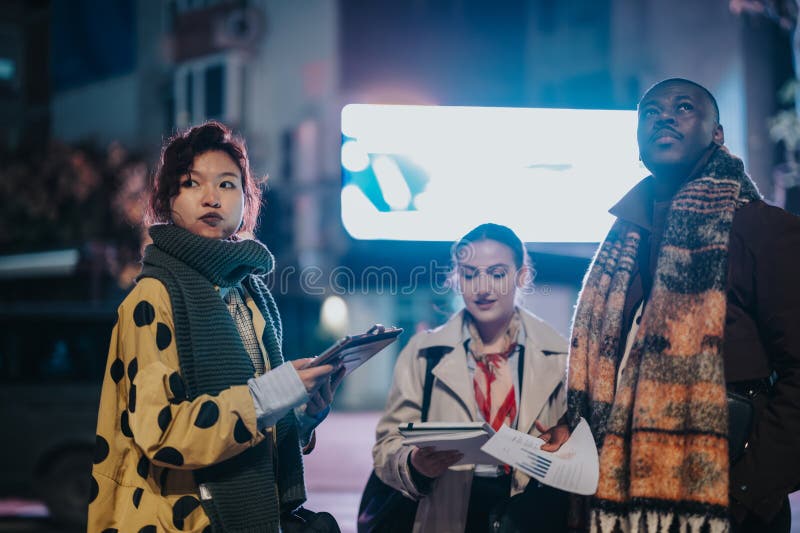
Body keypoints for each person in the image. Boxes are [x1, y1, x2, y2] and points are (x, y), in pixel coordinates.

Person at [558, 78, 800, 532]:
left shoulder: (766, 230)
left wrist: (747, 488)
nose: (664, 116)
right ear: (637, 142)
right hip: (622, 500)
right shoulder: (623, 243)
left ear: (717, 133)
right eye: (651, 112)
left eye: (684, 107)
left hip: (726, 504)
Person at [88, 121, 344, 532]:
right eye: (191, 183)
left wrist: (302, 414)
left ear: (246, 200)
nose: (211, 198)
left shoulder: (250, 294)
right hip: (176, 520)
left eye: (227, 185)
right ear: (167, 198)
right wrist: (271, 394)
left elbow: (251, 426)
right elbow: (164, 433)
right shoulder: (152, 297)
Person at [372, 223, 570, 532]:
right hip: (447, 510)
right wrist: (414, 464)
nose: (482, 287)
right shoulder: (424, 353)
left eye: (497, 273)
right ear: (456, 278)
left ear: (522, 276)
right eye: (469, 274)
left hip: (529, 514)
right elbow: (387, 445)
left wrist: (564, 444)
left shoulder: (559, 356)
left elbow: (579, 447)